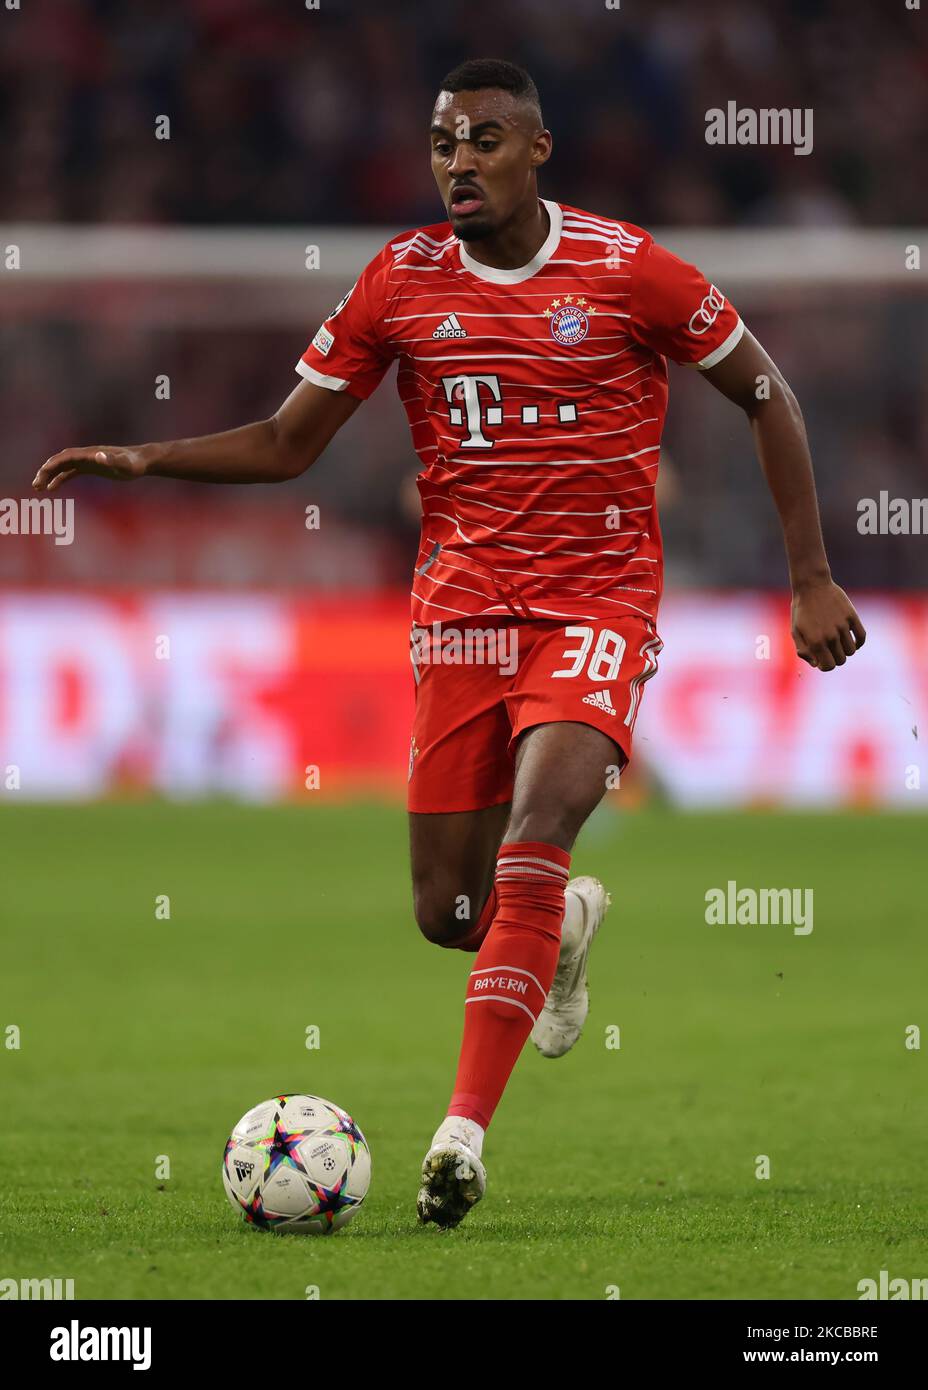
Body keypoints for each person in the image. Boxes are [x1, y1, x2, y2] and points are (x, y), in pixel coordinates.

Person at [33, 58, 866, 1230]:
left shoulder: (632, 270)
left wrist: (812, 574)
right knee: (450, 914)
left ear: (537, 150)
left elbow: (766, 393)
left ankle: (459, 1138)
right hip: (460, 621)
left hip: (595, 607)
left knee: (543, 823)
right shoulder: (399, 282)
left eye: (481, 140)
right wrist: (141, 458)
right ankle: (561, 924)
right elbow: (286, 442)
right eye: (441, 143)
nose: (457, 162)